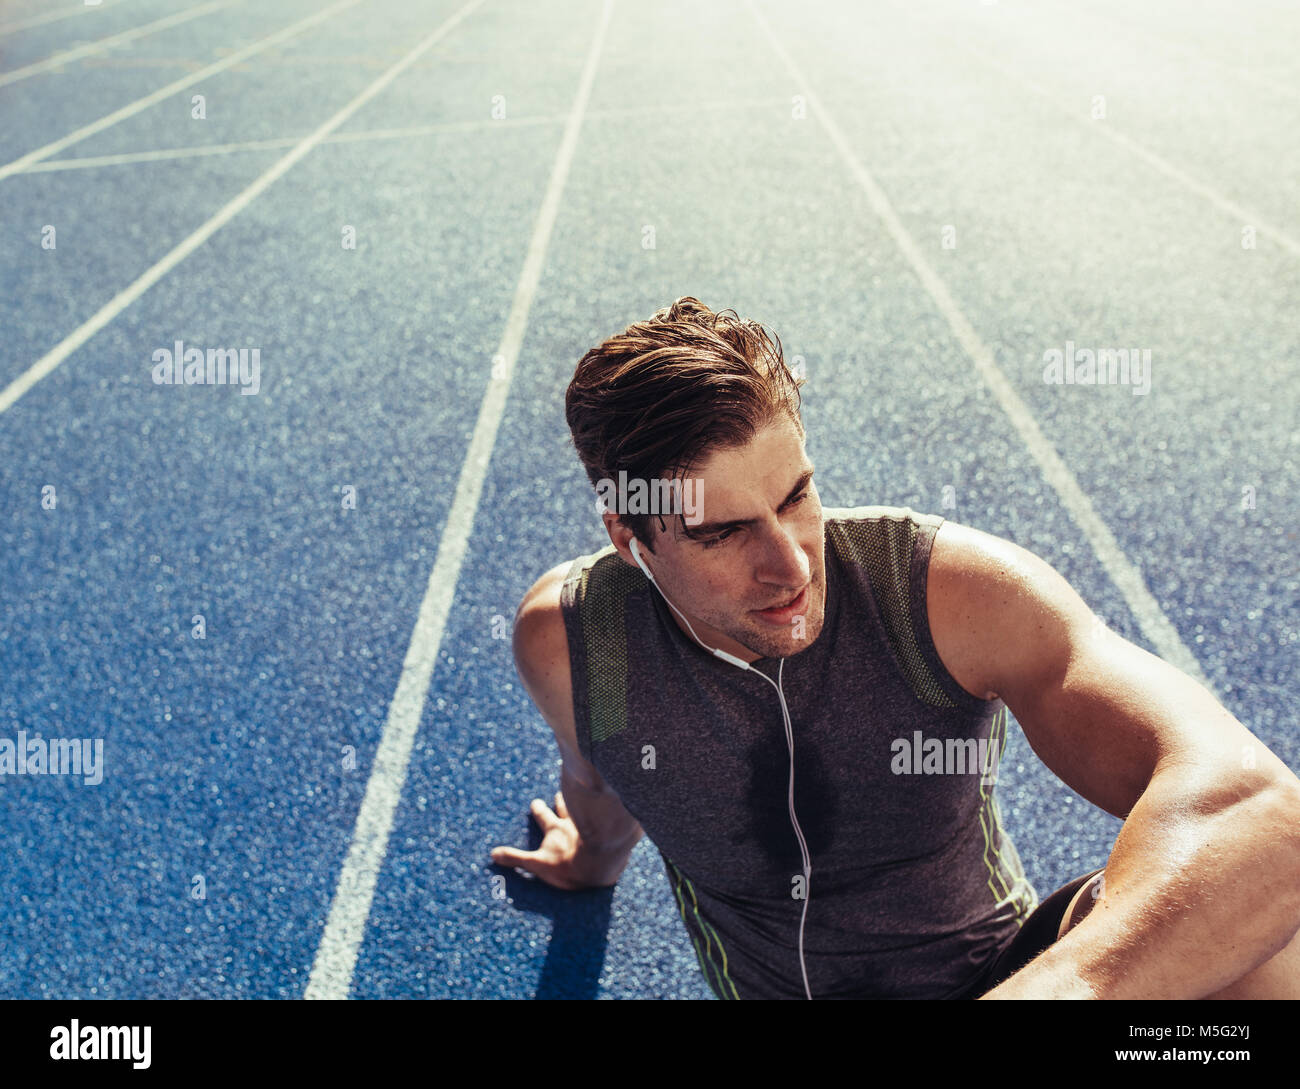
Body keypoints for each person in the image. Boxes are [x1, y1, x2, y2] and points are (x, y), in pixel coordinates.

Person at [491, 297, 1300, 1000]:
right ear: (630, 539)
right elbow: (596, 777)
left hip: (1007, 976)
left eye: (796, 495)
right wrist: (590, 862)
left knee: (1251, 961)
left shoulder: (949, 594)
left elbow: (1263, 812)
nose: (791, 563)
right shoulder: (574, 641)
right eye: (726, 532)